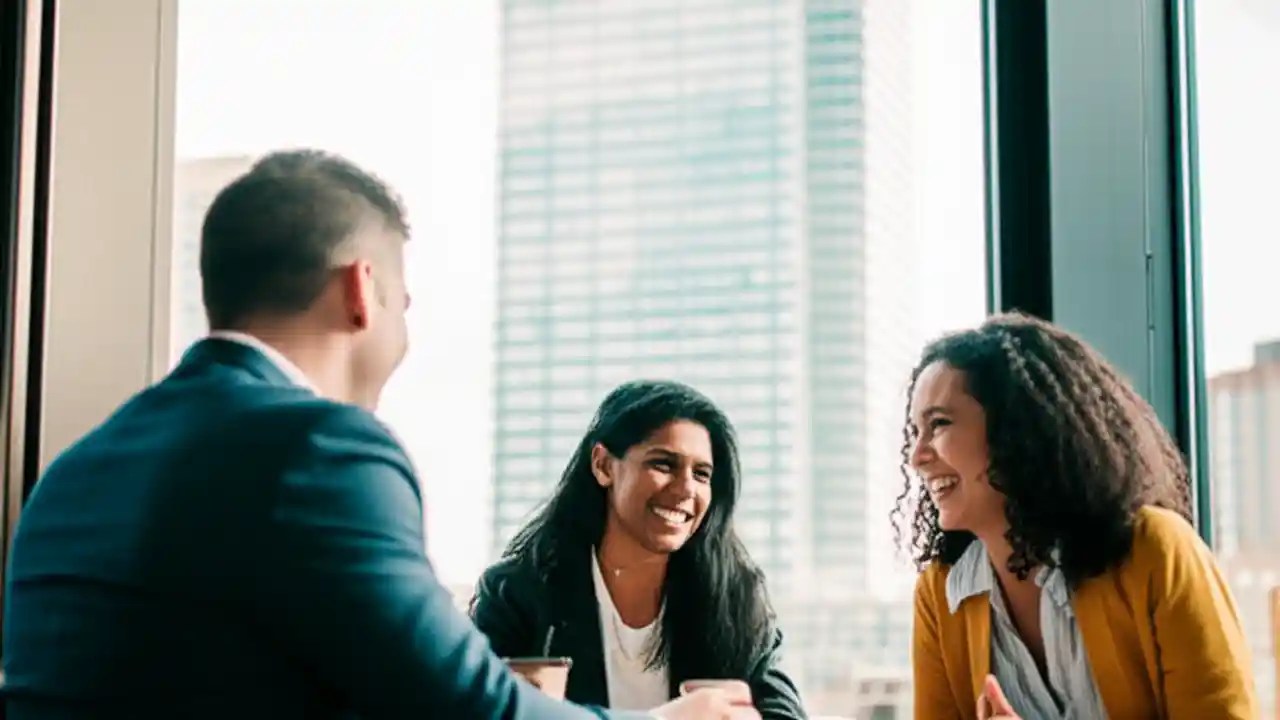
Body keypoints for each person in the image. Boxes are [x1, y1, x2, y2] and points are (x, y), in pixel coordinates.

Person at [1, 150, 754, 720]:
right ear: (362, 290)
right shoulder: (321, 451)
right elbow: (462, 705)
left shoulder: (76, 470)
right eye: (404, 300)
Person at [896, 312, 1257, 719]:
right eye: (915, 432)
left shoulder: (1155, 551)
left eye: (939, 424)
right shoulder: (940, 595)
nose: (917, 456)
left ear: (1016, 430)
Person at [471, 380, 806, 719]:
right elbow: (474, 709)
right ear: (603, 466)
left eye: (702, 474)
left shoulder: (735, 599)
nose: (686, 489)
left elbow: (784, 713)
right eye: (663, 464)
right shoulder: (518, 593)